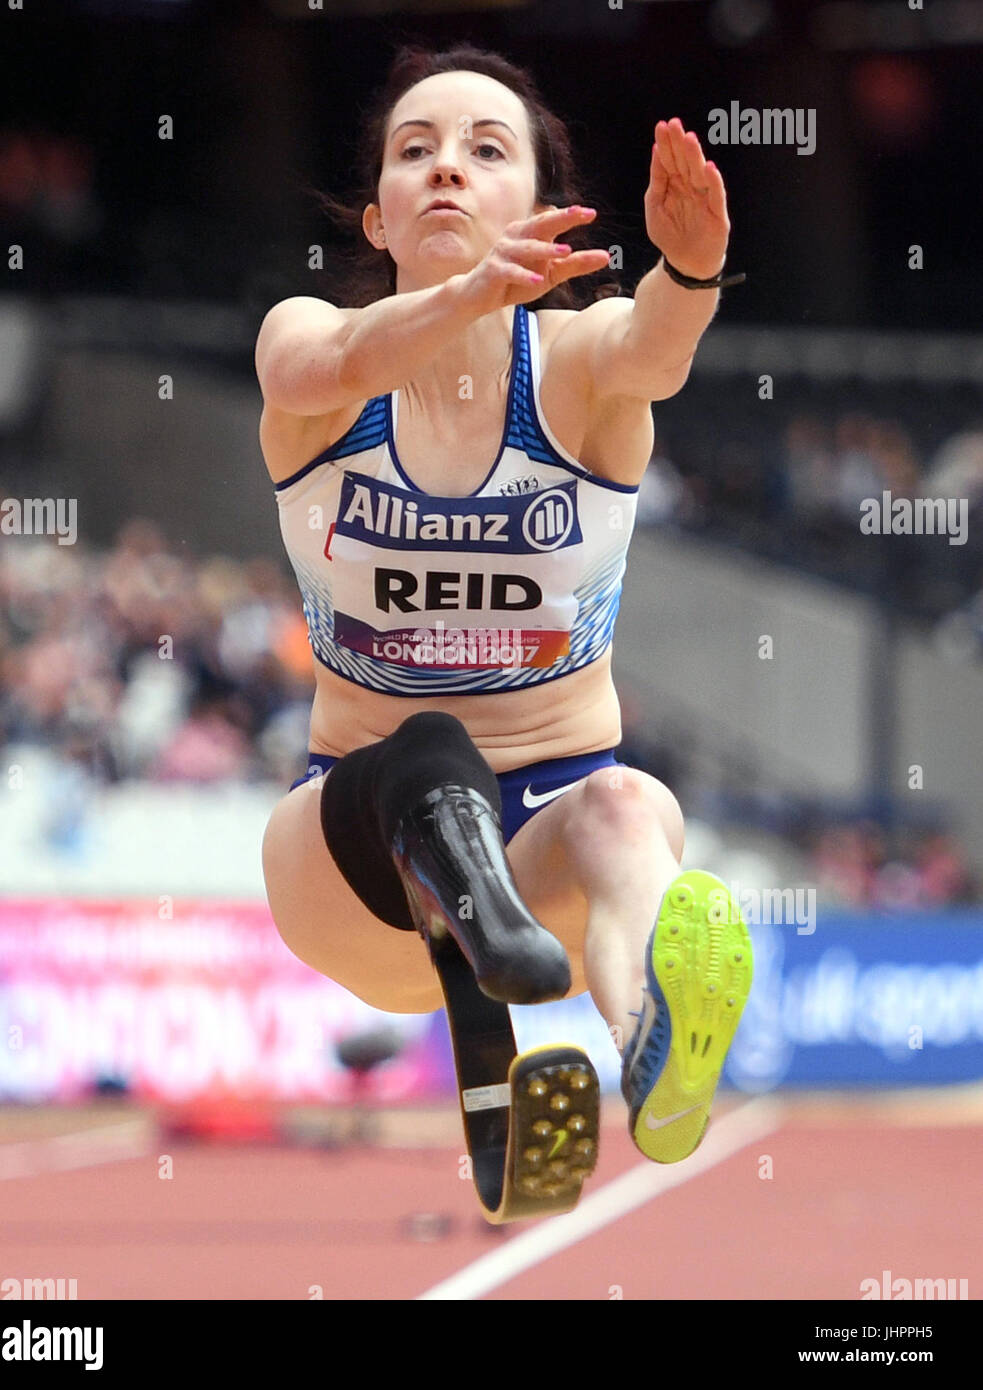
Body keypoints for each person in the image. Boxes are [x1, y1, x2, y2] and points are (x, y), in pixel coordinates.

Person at [258, 45, 752, 1165]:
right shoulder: (304, 337)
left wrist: (690, 273)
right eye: (414, 152)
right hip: (353, 860)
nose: (445, 171)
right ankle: (486, 981)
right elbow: (316, 370)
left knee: (631, 807)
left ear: (537, 205)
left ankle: (649, 1053)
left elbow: (653, 350)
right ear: (376, 219)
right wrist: (470, 291)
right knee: (428, 747)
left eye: (484, 153)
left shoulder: (579, 363)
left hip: (546, 862)